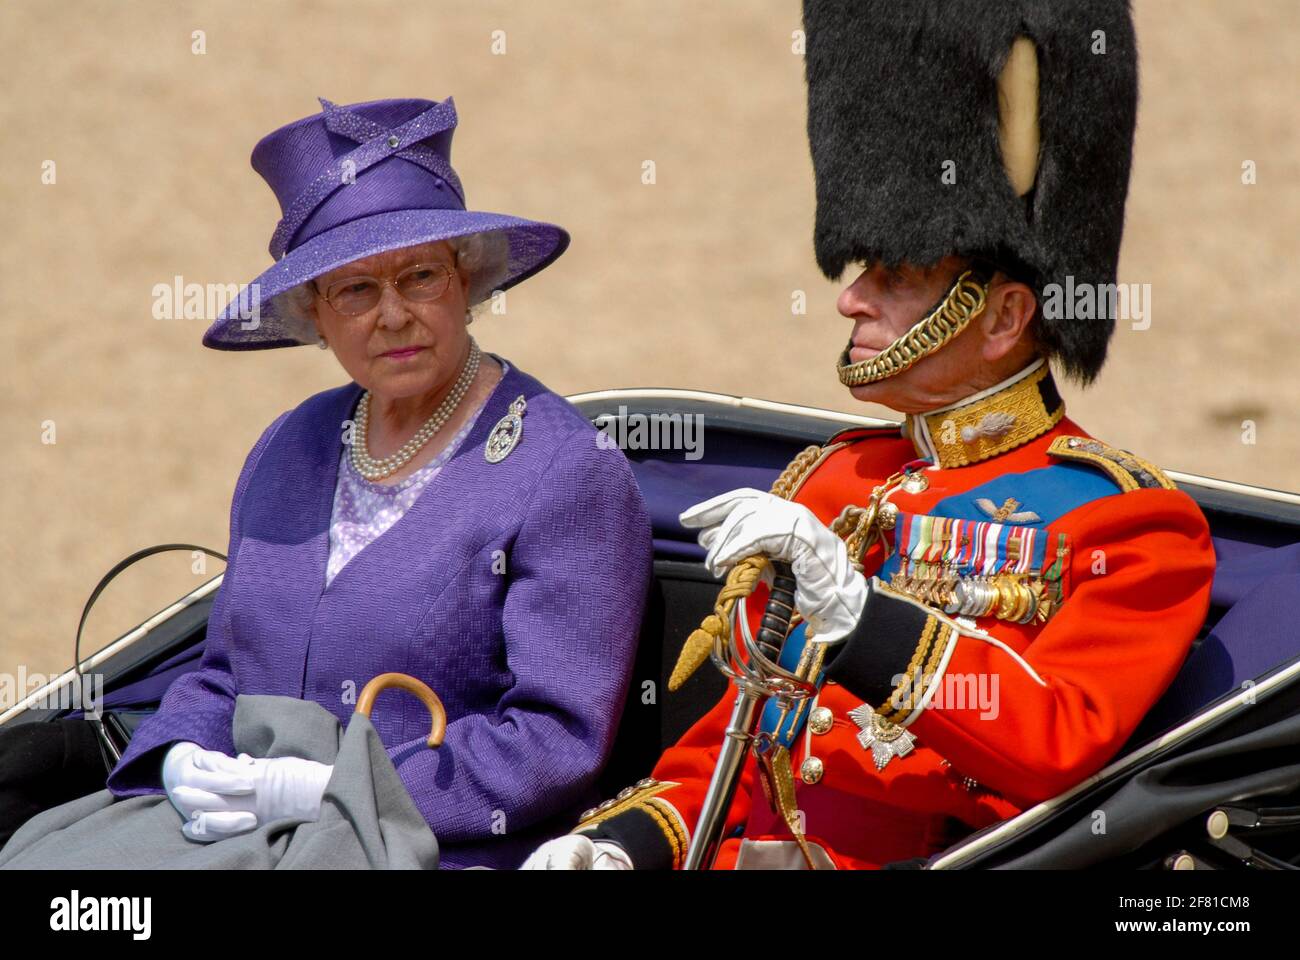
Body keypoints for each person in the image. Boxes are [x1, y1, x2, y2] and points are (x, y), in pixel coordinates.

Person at [523, 0, 1216, 870]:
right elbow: (735, 747)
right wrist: (622, 844)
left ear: (1003, 314)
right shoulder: (830, 482)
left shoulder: (1128, 526)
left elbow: (1051, 744)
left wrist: (861, 621)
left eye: (893, 273)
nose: (852, 298)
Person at [3, 95, 653, 870]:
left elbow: (553, 742)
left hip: (423, 850)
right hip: (243, 840)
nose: (392, 316)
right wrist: (179, 752)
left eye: (420, 277)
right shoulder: (289, 445)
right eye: (354, 290)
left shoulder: (565, 472)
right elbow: (222, 675)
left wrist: (343, 791)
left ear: (468, 278)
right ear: (314, 312)